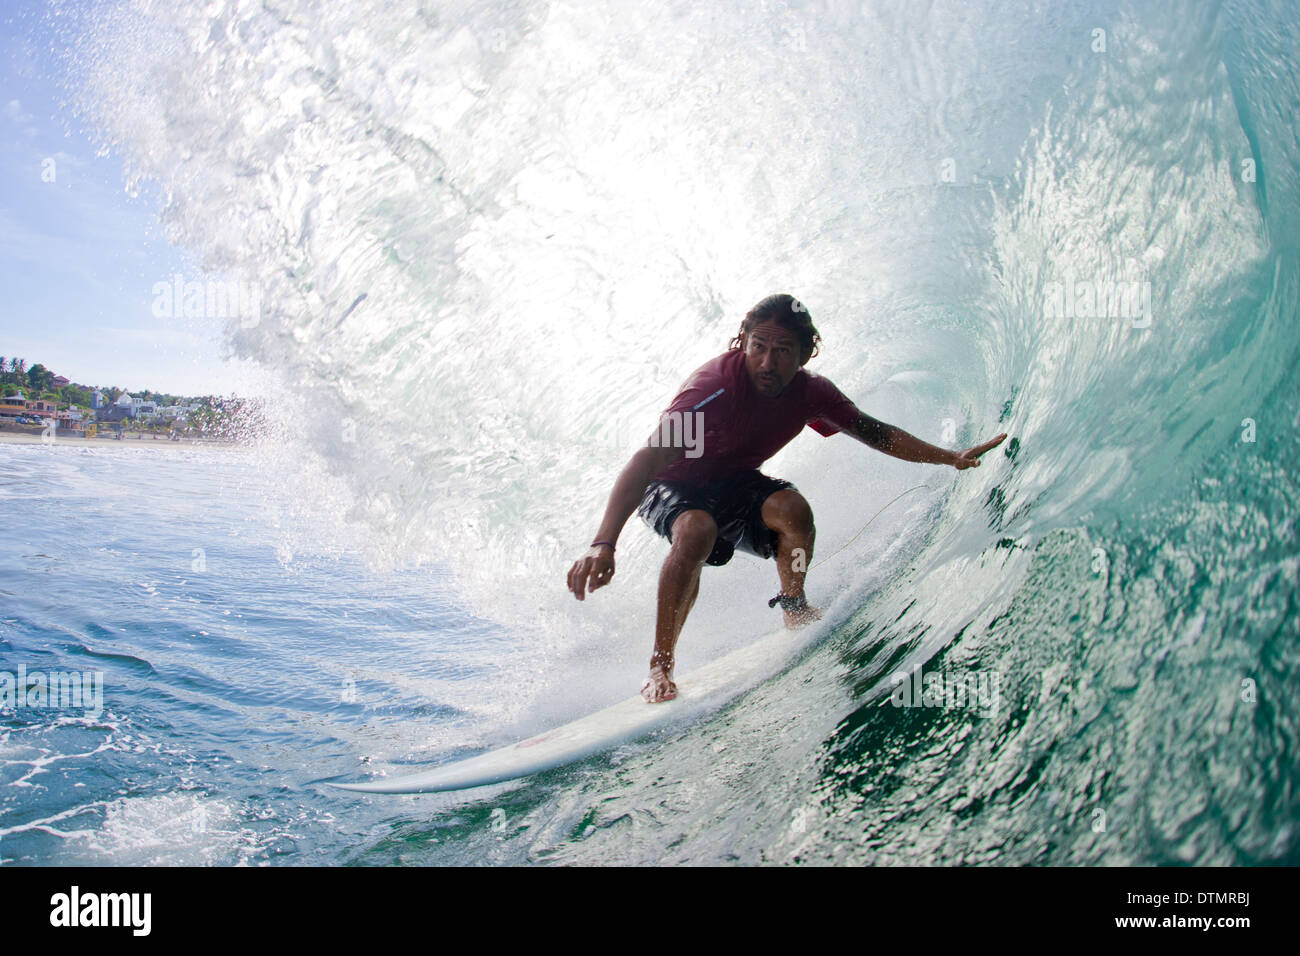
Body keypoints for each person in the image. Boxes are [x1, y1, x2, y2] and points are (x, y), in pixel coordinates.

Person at [566, 294, 1006, 703]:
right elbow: (646, 462)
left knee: (793, 512)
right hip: (671, 486)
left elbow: (874, 433)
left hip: (734, 481)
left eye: (782, 351)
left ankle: (794, 604)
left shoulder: (810, 394)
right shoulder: (712, 391)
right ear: (742, 341)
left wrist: (949, 457)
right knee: (696, 530)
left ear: (806, 353)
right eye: (758, 347)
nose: (767, 363)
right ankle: (660, 665)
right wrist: (604, 543)